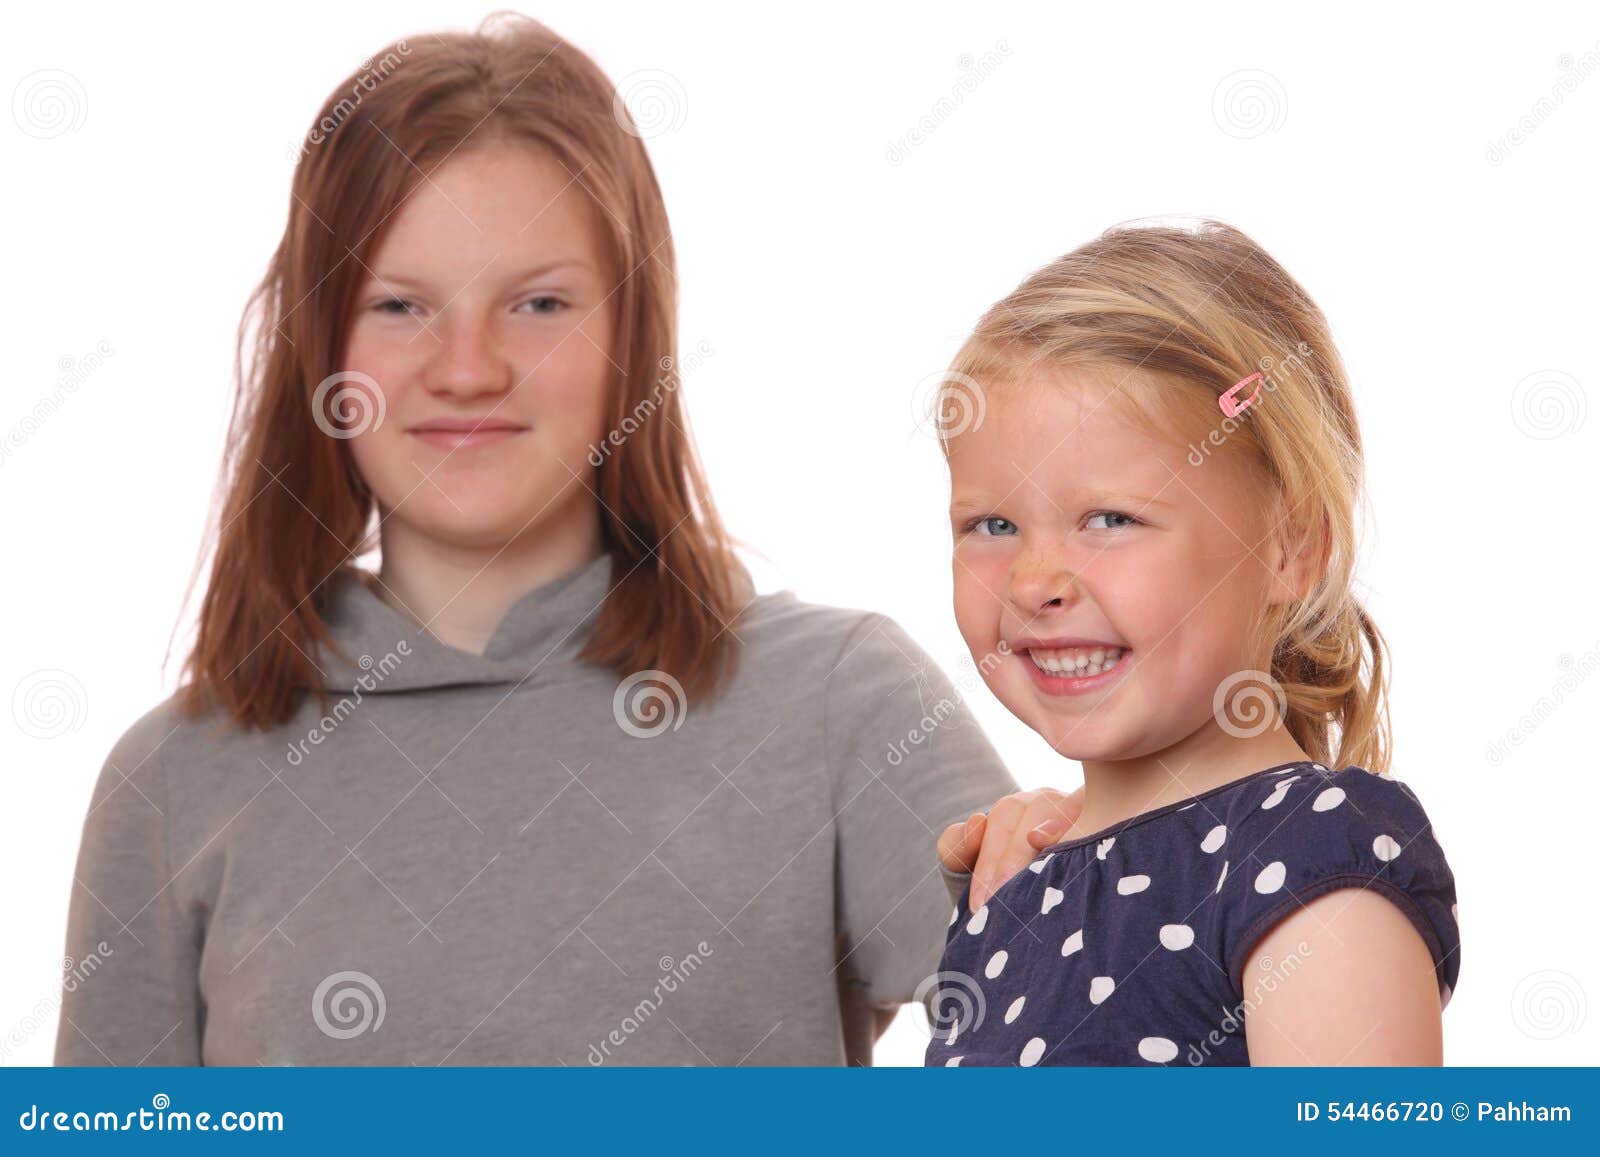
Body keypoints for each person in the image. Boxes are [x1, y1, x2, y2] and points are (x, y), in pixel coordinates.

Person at [51, 15, 1072, 1067]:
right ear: (322, 348)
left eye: (538, 302)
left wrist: (1133, 821)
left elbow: (1107, 1052)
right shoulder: (172, 782)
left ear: (631, 337)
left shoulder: (837, 702)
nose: (467, 367)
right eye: (400, 304)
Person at [921, 220, 1461, 1066]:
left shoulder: (1307, 858)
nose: (1034, 581)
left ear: (1291, 548)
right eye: (992, 523)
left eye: (1110, 518)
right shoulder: (1009, 890)